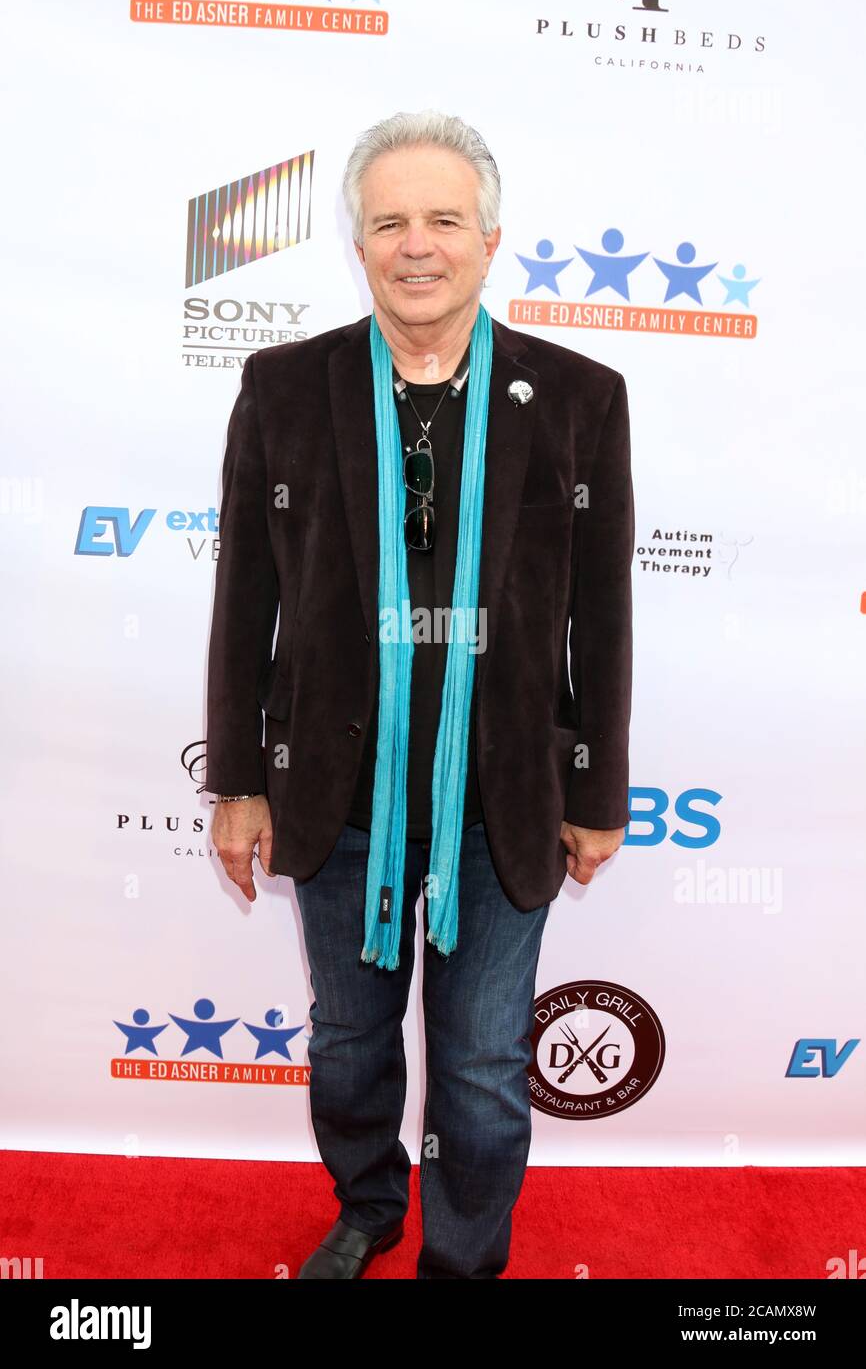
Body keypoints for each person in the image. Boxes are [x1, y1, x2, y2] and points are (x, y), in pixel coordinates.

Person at [203, 109, 635, 1279]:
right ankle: (366, 1205)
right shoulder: (286, 386)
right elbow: (244, 595)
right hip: (336, 797)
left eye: (443, 218)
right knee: (346, 1043)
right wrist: (237, 782)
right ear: (357, 244)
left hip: (503, 797)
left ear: (491, 240)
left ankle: (462, 1257)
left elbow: (600, 615)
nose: (416, 244)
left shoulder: (579, 397)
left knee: (486, 1067)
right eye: (389, 221)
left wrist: (598, 791)